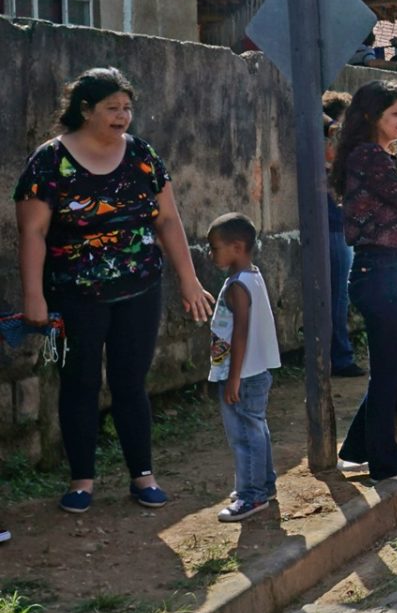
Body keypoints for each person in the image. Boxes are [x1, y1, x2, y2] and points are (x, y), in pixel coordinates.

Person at [13, 67, 214, 513]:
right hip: (73, 294)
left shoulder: (141, 154)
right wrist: (34, 296)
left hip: (139, 290)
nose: (123, 116)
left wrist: (188, 277)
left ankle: (143, 475)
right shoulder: (49, 161)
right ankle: (81, 480)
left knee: (130, 383)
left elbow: (167, 219)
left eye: (127, 107)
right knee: (80, 383)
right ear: (86, 110)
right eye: (112, 108)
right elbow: (32, 232)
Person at [331, 80, 397, 485]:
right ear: (371, 118)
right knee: (391, 367)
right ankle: (386, 462)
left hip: (384, 272)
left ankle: (359, 449)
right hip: (376, 273)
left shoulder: (372, 156)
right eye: (395, 113)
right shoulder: (370, 155)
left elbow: (396, 206)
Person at [206, 213, 282, 523]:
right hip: (256, 371)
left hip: (242, 373)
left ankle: (252, 495)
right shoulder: (252, 276)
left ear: (236, 247)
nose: (212, 255)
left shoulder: (238, 286)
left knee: (243, 434)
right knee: (256, 427)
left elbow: (240, 332)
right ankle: (262, 485)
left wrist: (233, 377)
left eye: (215, 248)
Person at [322, 92, 363, 377]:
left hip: (338, 227)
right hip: (333, 228)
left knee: (337, 297)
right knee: (337, 298)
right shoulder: (328, 147)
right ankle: (340, 357)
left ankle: (339, 355)